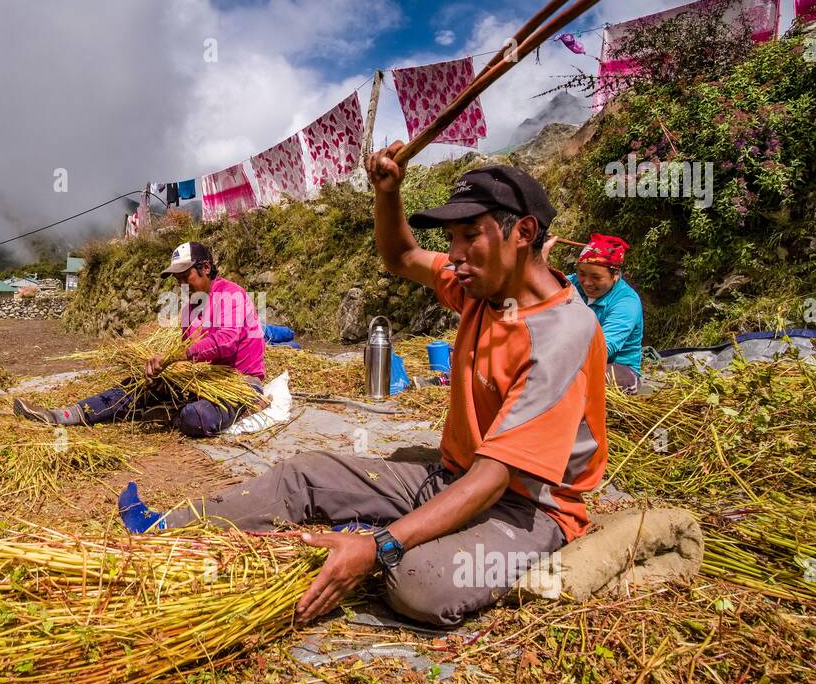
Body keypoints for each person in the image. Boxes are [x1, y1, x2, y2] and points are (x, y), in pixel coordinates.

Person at [118, 156, 609, 628]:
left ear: (522, 233)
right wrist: (388, 192)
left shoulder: (561, 334)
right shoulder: (484, 288)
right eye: (451, 239)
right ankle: (170, 528)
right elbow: (402, 255)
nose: (454, 255)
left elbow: (494, 478)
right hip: (455, 477)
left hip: (528, 506)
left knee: (417, 583)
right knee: (304, 475)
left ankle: (386, 541)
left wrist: (380, 547)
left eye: (469, 236)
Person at [14, 241, 266, 438]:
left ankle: (229, 408)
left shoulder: (232, 294)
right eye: (177, 280)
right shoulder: (190, 309)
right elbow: (189, 353)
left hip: (240, 381)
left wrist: (172, 358)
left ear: (206, 268)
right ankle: (66, 415)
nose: (181, 284)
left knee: (196, 417)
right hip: (204, 380)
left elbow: (225, 340)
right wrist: (163, 369)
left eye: (185, 276)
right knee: (134, 386)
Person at [549, 233, 644, 393]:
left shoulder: (626, 303)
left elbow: (602, 349)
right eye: (582, 273)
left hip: (617, 367)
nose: (586, 282)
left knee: (576, 380)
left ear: (615, 275)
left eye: (596, 277)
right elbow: (539, 289)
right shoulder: (572, 284)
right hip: (572, 357)